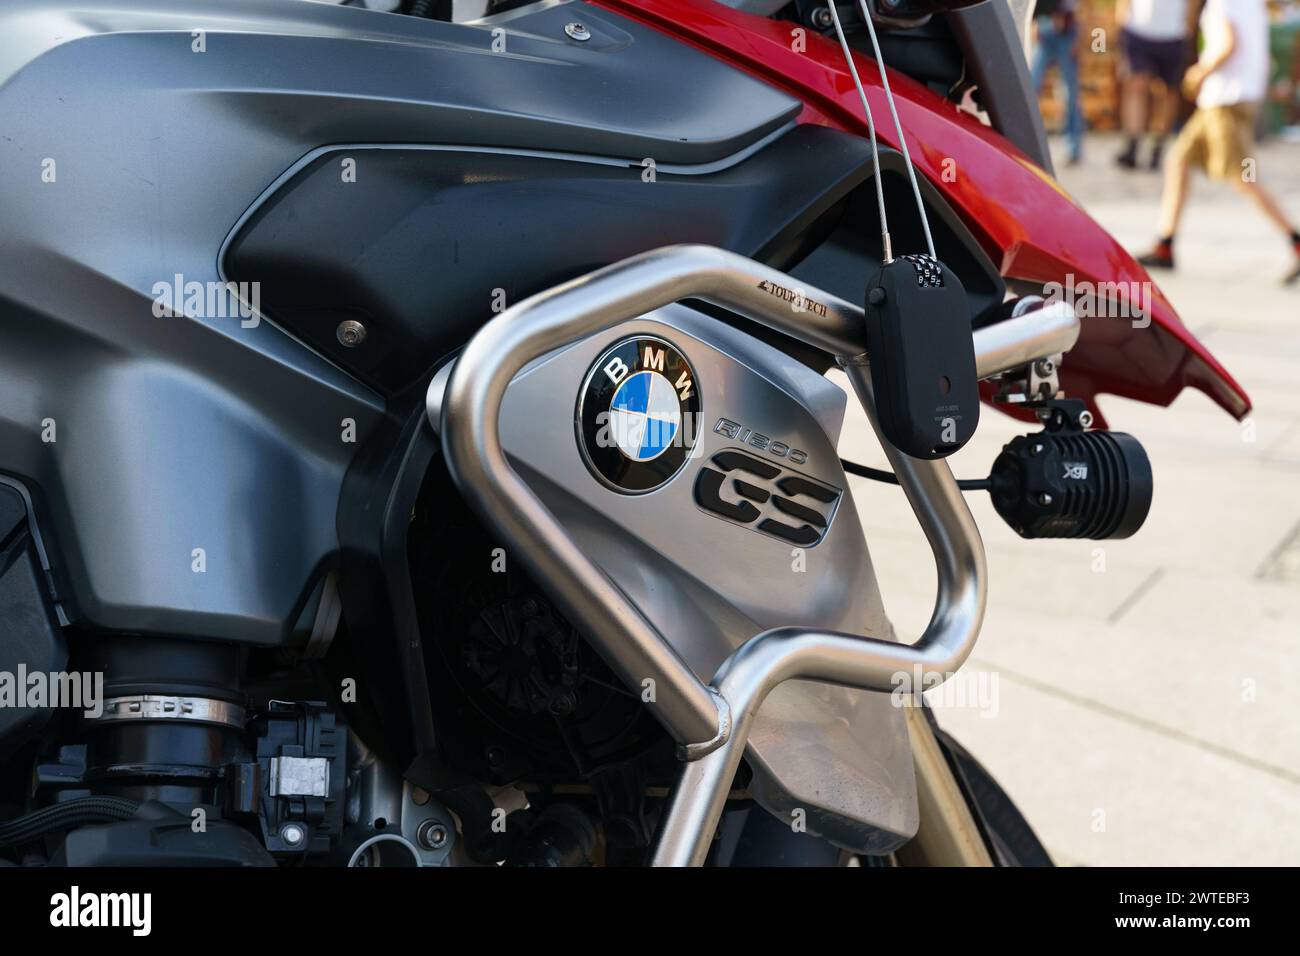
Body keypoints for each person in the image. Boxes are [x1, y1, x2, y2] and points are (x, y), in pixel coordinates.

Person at [1138, 0, 1300, 284]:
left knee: (1244, 178)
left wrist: (1199, 72)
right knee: (1178, 160)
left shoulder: (1223, 4)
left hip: (1226, 102)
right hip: (1224, 99)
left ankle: (1295, 240)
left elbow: (1228, 44)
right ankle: (1165, 244)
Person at [1115, 0, 1192, 170]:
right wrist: (1121, 18)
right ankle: (1132, 144)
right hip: (1137, 29)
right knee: (1136, 85)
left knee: (1167, 92)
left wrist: (1187, 26)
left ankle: (1158, 145)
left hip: (1173, 31)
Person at [1033, 0, 1085, 165]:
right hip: (1044, 27)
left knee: (1070, 94)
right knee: (1030, 88)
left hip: (1068, 32)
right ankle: (1025, 141)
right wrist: (1032, 24)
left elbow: (1084, 7)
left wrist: (1081, 38)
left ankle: (1073, 147)